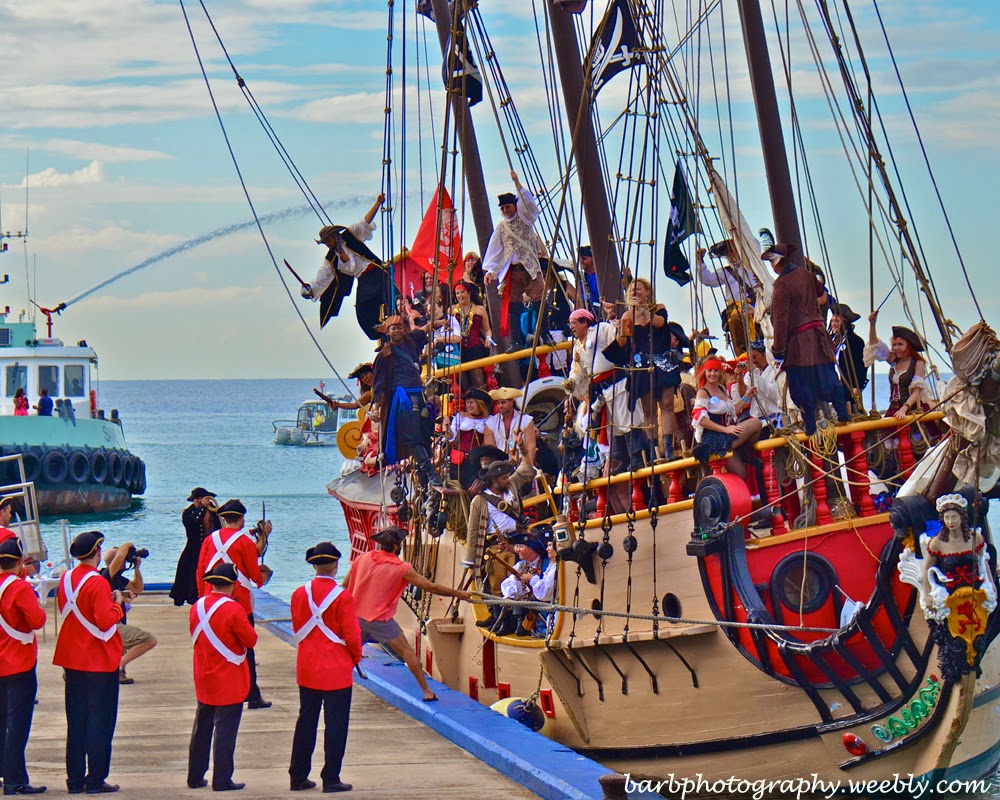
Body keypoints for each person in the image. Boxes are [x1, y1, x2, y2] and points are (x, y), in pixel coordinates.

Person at [343, 526, 470, 702]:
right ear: (396, 546)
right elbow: (430, 586)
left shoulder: (362, 557)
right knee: (406, 652)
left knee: (346, 653)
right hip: (379, 620)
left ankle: (333, 684)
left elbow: (344, 586)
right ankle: (427, 691)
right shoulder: (402, 568)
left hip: (354, 616)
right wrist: (458, 593)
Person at [54, 531, 127, 795]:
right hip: (98, 659)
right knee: (100, 721)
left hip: (72, 656)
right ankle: (95, 779)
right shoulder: (98, 582)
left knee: (76, 721)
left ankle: (74, 780)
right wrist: (118, 604)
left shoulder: (65, 578)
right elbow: (105, 621)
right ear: (97, 552)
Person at [288, 543, 362, 794]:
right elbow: (352, 635)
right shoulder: (343, 597)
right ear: (336, 565)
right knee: (336, 725)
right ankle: (330, 778)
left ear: (314, 566)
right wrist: (355, 657)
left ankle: (298, 776)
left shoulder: (299, 593)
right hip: (336, 670)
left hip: (308, 666)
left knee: (306, 722)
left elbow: (298, 627)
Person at [187, 563, 257, 792]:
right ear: (233, 585)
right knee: (226, 730)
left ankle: (195, 775)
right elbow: (250, 640)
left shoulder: (197, 606)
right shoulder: (234, 609)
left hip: (204, 674)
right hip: (228, 676)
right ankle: (222, 778)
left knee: (202, 728)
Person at [196, 499, 272, 710]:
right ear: (241, 519)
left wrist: (202, 595)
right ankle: (252, 695)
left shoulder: (210, 540)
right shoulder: (245, 541)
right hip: (238, 601)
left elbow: (200, 570)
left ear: (223, 518)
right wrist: (263, 576)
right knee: (246, 649)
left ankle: (214, 691)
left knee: (212, 646)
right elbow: (255, 576)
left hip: (210, 600)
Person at [765, 243, 848, 435]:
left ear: (776, 262)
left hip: (800, 342)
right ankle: (843, 414)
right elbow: (822, 294)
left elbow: (780, 321)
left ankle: (810, 426)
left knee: (802, 384)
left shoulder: (782, 285)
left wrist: (778, 350)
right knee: (827, 375)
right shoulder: (807, 275)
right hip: (819, 336)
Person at [301, 194, 387, 340]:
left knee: (391, 300)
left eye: (328, 241)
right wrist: (310, 290)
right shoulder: (331, 259)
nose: (327, 244)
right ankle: (382, 336)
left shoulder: (351, 235)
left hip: (377, 272)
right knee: (362, 311)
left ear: (335, 236)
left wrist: (378, 203)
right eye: (325, 243)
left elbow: (365, 221)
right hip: (363, 280)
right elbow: (321, 277)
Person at [370, 315, 441, 489]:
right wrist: (376, 409)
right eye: (393, 328)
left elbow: (425, 328)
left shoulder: (411, 340)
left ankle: (423, 477)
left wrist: (439, 323)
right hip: (402, 399)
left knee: (424, 434)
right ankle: (430, 473)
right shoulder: (384, 355)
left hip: (419, 394)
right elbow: (379, 386)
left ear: (404, 329)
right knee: (411, 437)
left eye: (399, 327)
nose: (397, 331)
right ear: (388, 332)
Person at [0, 538, 46, 795]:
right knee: (17, 725)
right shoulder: (19, 587)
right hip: (18, 662)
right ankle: (14, 779)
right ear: (19, 563)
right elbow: (37, 620)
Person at [482, 171, 545, 350]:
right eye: (502, 208)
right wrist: (492, 271)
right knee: (513, 306)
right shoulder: (501, 227)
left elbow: (528, 203)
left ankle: (544, 333)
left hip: (529, 267)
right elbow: (496, 251)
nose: (505, 211)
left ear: (515, 206)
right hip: (513, 271)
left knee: (539, 300)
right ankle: (516, 342)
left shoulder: (525, 218)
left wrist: (517, 184)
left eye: (507, 207)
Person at [463, 433, 537, 572]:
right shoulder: (479, 501)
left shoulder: (511, 485)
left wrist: (521, 446)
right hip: (496, 548)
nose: (507, 480)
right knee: (498, 585)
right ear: (493, 480)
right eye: (504, 478)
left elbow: (527, 468)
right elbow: (473, 531)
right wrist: (470, 560)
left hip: (517, 543)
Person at [691, 357, 762, 479]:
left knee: (741, 473)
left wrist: (746, 397)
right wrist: (725, 429)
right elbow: (700, 419)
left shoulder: (722, 388)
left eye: (716, 370)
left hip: (726, 434)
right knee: (756, 423)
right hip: (714, 438)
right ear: (704, 372)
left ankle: (743, 450)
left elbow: (731, 411)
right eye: (709, 370)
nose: (713, 374)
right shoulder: (702, 392)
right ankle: (745, 450)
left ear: (720, 372)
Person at [100, 544, 156, 685]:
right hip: (110, 623)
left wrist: (137, 569)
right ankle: (118, 666)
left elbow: (138, 588)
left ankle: (119, 671)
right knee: (148, 640)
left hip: (118, 620)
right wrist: (128, 546)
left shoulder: (119, 578)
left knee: (121, 647)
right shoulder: (106, 575)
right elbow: (119, 557)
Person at [865, 310, 933, 420]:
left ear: (909, 346)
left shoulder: (918, 363)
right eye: (894, 345)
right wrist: (872, 324)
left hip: (911, 408)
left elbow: (916, 392)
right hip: (894, 408)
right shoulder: (894, 360)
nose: (896, 348)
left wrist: (904, 409)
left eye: (900, 345)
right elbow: (875, 344)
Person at [696, 242, 760, 357]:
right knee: (736, 320)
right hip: (738, 308)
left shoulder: (754, 267)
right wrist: (700, 262)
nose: (730, 254)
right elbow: (708, 280)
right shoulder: (726, 271)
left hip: (757, 305)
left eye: (732, 251)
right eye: (727, 252)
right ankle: (743, 356)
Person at [171, 487, 221, 607]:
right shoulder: (188, 513)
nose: (199, 500)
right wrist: (201, 508)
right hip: (194, 549)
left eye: (202, 498)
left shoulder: (214, 511)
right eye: (197, 498)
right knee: (191, 576)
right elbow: (192, 524)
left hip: (212, 549)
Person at [498, 533, 550, 637]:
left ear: (532, 548)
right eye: (517, 546)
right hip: (527, 610)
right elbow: (510, 585)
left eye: (521, 546)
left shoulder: (547, 564)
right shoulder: (520, 565)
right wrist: (513, 590)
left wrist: (531, 579)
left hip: (544, 609)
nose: (517, 550)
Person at [453, 281, 494, 389]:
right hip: (459, 351)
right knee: (464, 383)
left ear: (469, 293)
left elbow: (487, 330)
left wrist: (488, 338)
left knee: (478, 381)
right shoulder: (452, 310)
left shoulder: (480, 309)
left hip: (476, 350)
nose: (460, 295)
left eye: (462, 292)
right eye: (457, 293)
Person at [446, 388, 491, 484]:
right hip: (458, 459)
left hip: (475, 460)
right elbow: (451, 436)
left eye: (471, 402)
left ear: (479, 404)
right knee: (457, 487)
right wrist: (447, 428)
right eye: (467, 402)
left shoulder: (488, 420)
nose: (469, 405)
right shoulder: (461, 417)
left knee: (472, 488)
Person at [829, 303, 868, 408]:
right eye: (832, 321)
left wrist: (857, 386)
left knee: (850, 410)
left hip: (848, 386)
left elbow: (861, 366)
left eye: (837, 321)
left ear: (845, 322)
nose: (833, 324)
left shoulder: (855, 341)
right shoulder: (830, 339)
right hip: (831, 385)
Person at [483, 387, 537, 461]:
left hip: (522, 461)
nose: (500, 406)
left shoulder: (526, 420)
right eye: (498, 403)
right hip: (500, 463)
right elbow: (490, 449)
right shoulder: (490, 423)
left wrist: (528, 464)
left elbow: (531, 445)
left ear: (511, 402)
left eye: (503, 402)